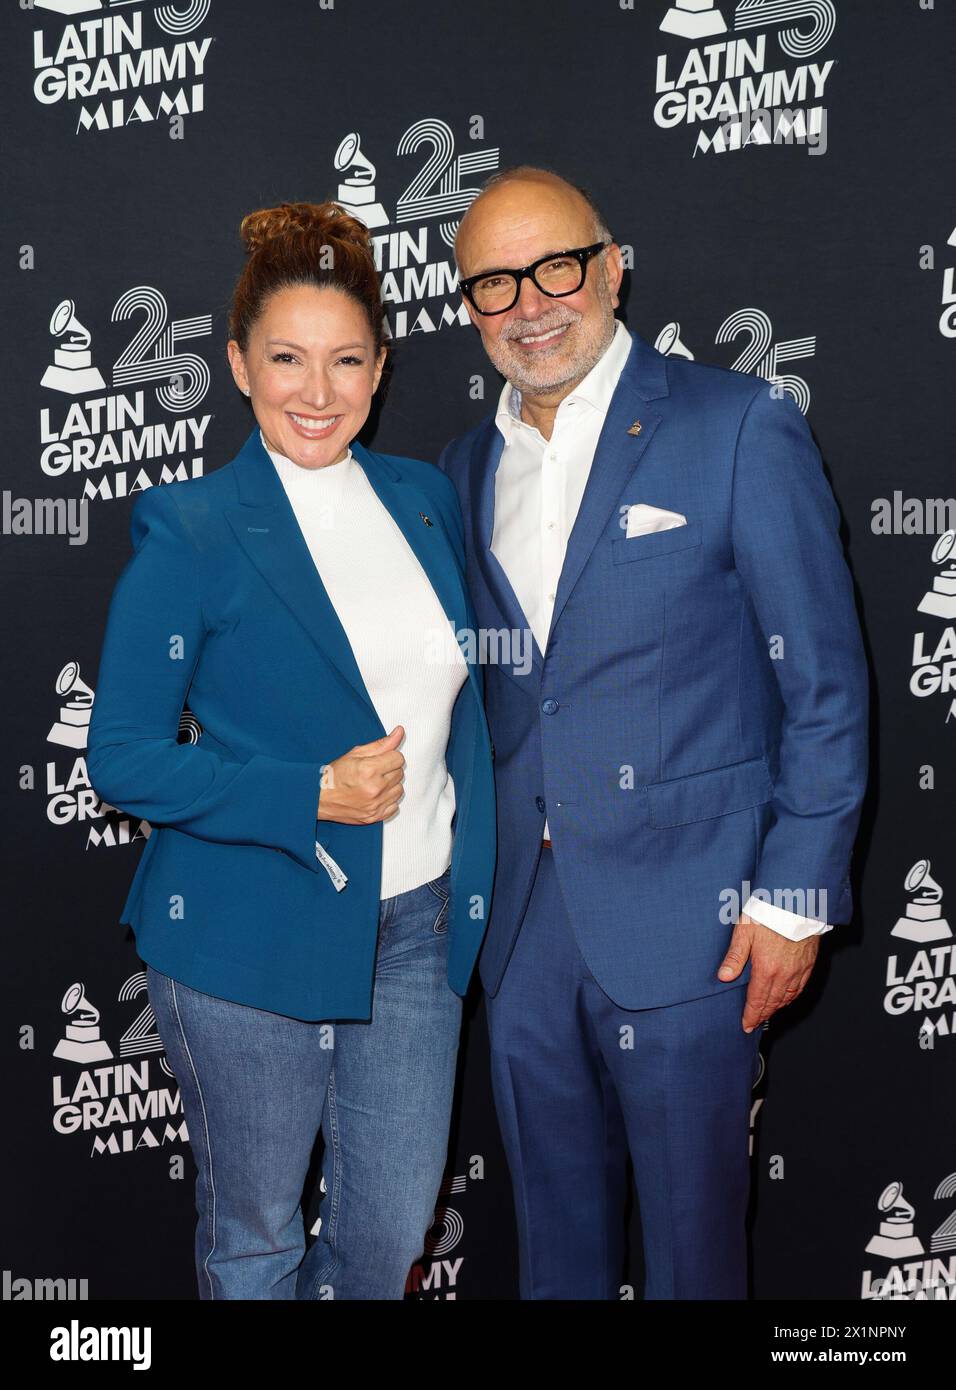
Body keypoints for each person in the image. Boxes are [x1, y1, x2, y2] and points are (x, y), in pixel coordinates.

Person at [439, 166, 868, 1299]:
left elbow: (823, 682)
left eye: (554, 267)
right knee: (555, 1257)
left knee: (692, 1258)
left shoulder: (736, 426)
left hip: (696, 923)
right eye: (493, 282)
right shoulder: (462, 469)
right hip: (523, 934)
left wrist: (792, 898)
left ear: (611, 267)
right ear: (467, 305)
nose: (528, 303)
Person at [86, 201, 496, 1300]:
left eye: (345, 360)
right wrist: (306, 790)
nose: (317, 393)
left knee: (385, 1240)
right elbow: (120, 756)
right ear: (236, 364)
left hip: (412, 930)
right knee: (257, 1243)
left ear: (380, 368)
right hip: (243, 933)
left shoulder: (423, 499)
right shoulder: (193, 525)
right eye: (285, 360)